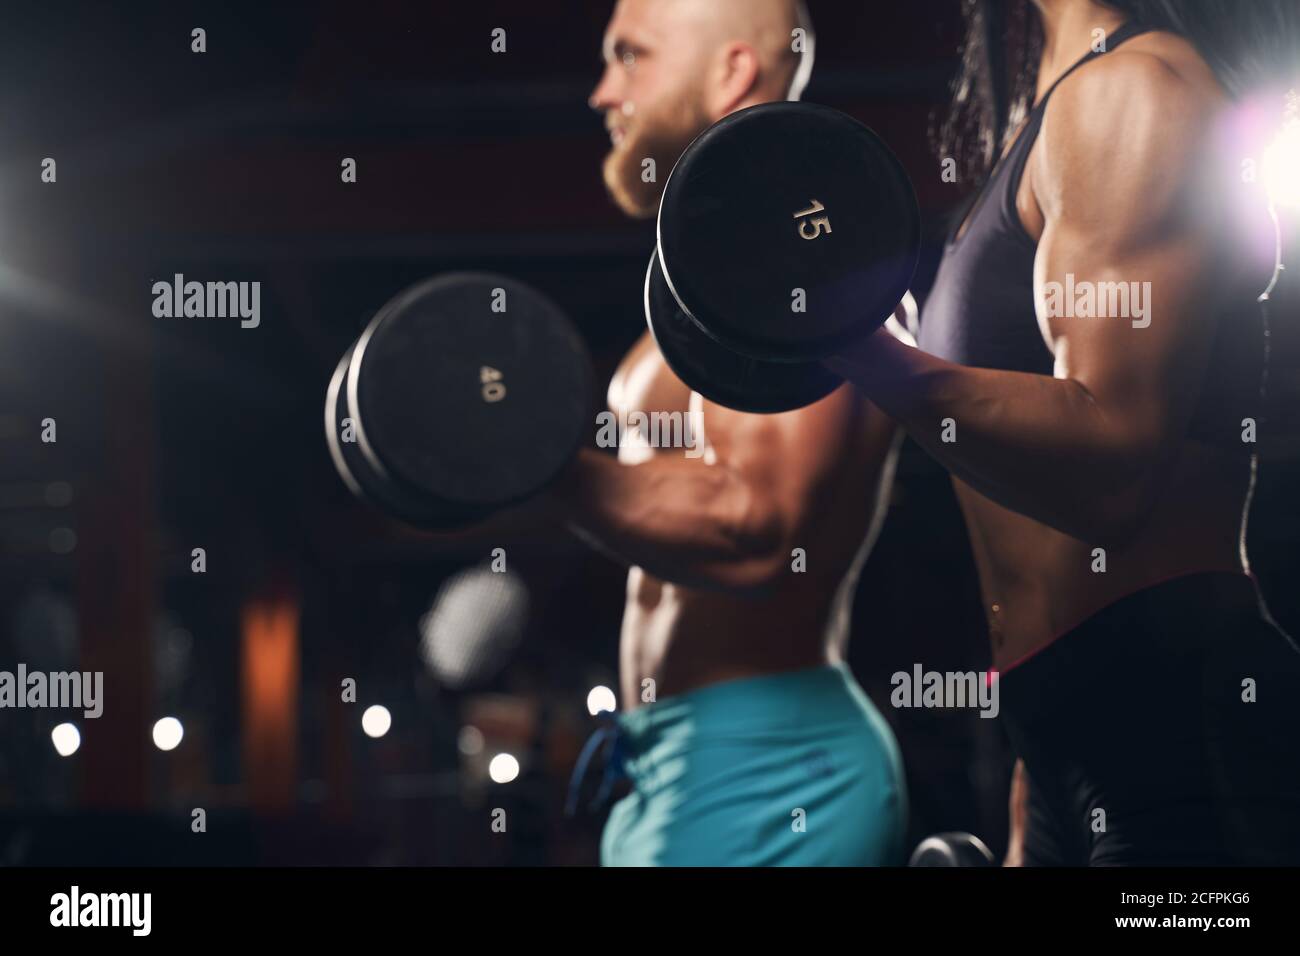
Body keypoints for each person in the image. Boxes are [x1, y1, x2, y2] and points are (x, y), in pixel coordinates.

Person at [829, 0, 1300, 864]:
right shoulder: (1050, 113)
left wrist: (876, 358)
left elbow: (1113, 462)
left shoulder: (1134, 90)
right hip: (1063, 738)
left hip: (1177, 735)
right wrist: (1038, 758)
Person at [555, 0, 912, 866]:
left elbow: (759, 526)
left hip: (773, 770)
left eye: (629, 56)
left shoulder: (802, 256)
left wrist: (530, 459)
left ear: (732, 70)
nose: (603, 91)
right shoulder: (707, 279)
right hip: (672, 763)